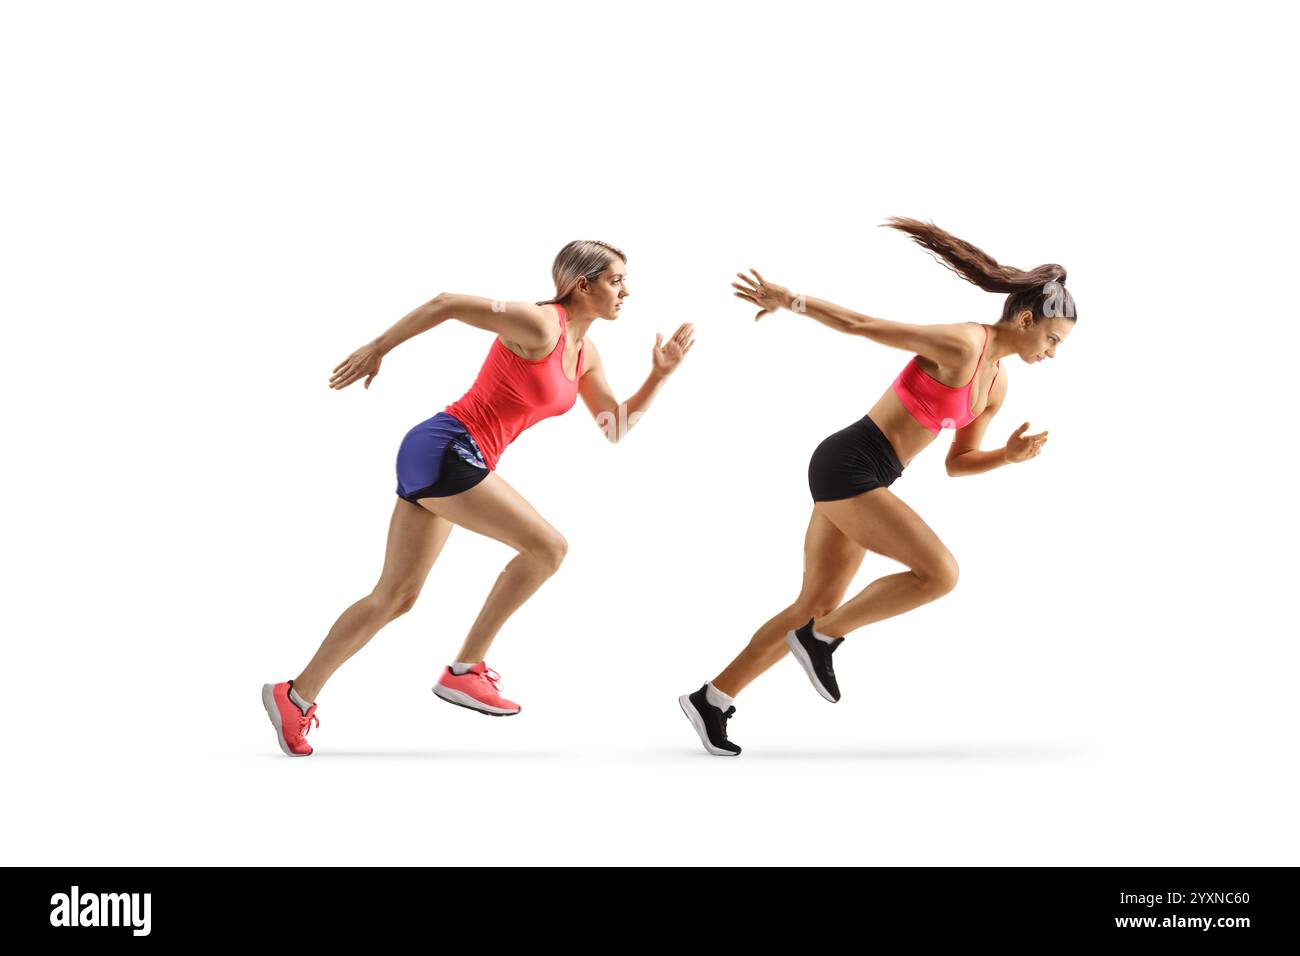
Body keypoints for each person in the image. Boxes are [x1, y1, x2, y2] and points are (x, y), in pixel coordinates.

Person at [263, 240, 695, 756]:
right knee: (548, 548)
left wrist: (659, 376)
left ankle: (296, 695)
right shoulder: (540, 324)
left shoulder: (586, 352)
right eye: (617, 279)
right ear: (583, 285)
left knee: (396, 597)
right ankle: (465, 670)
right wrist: (377, 348)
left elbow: (614, 425)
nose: (627, 290)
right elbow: (447, 302)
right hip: (448, 447)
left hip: (455, 457)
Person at [679, 217, 1076, 755]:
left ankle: (713, 699)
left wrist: (1006, 455)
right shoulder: (964, 344)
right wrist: (788, 299)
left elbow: (958, 464)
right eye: (1051, 339)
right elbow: (862, 324)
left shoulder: (998, 384)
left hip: (870, 474)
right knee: (940, 574)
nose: (1052, 353)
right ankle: (822, 638)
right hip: (848, 464)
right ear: (1026, 319)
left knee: (813, 601)